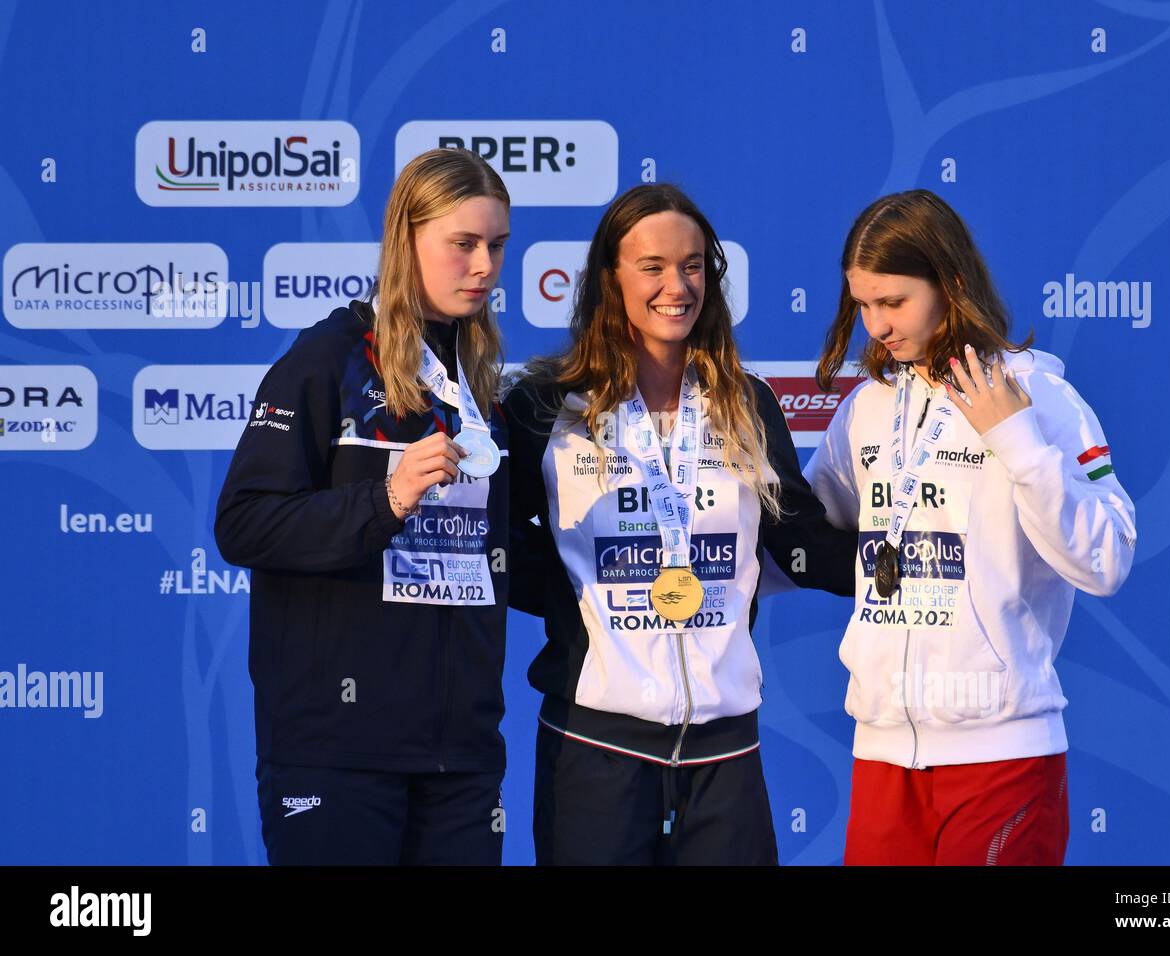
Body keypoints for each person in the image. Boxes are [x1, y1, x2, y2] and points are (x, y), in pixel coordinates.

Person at [504, 183, 857, 866]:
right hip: (594, 750)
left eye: (692, 266)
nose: (677, 285)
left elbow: (799, 539)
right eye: (653, 266)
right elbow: (505, 550)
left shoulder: (745, 402)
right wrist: (573, 602)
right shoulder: (545, 406)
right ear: (611, 278)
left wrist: (897, 559)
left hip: (725, 755)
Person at [804, 189, 1137, 866]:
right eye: (863, 304)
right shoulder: (869, 410)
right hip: (882, 756)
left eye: (893, 302)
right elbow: (800, 544)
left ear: (951, 284)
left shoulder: (1039, 399)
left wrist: (1017, 441)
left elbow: (1107, 561)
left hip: (1003, 756)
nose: (876, 327)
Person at [214, 148, 513, 865]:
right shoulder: (327, 360)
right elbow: (243, 522)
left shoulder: (480, 389)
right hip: (336, 752)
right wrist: (385, 498)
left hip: (459, 755)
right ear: (406, 240)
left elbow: (502, 557)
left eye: (497, 246)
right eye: (462, 244)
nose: (484, 267)